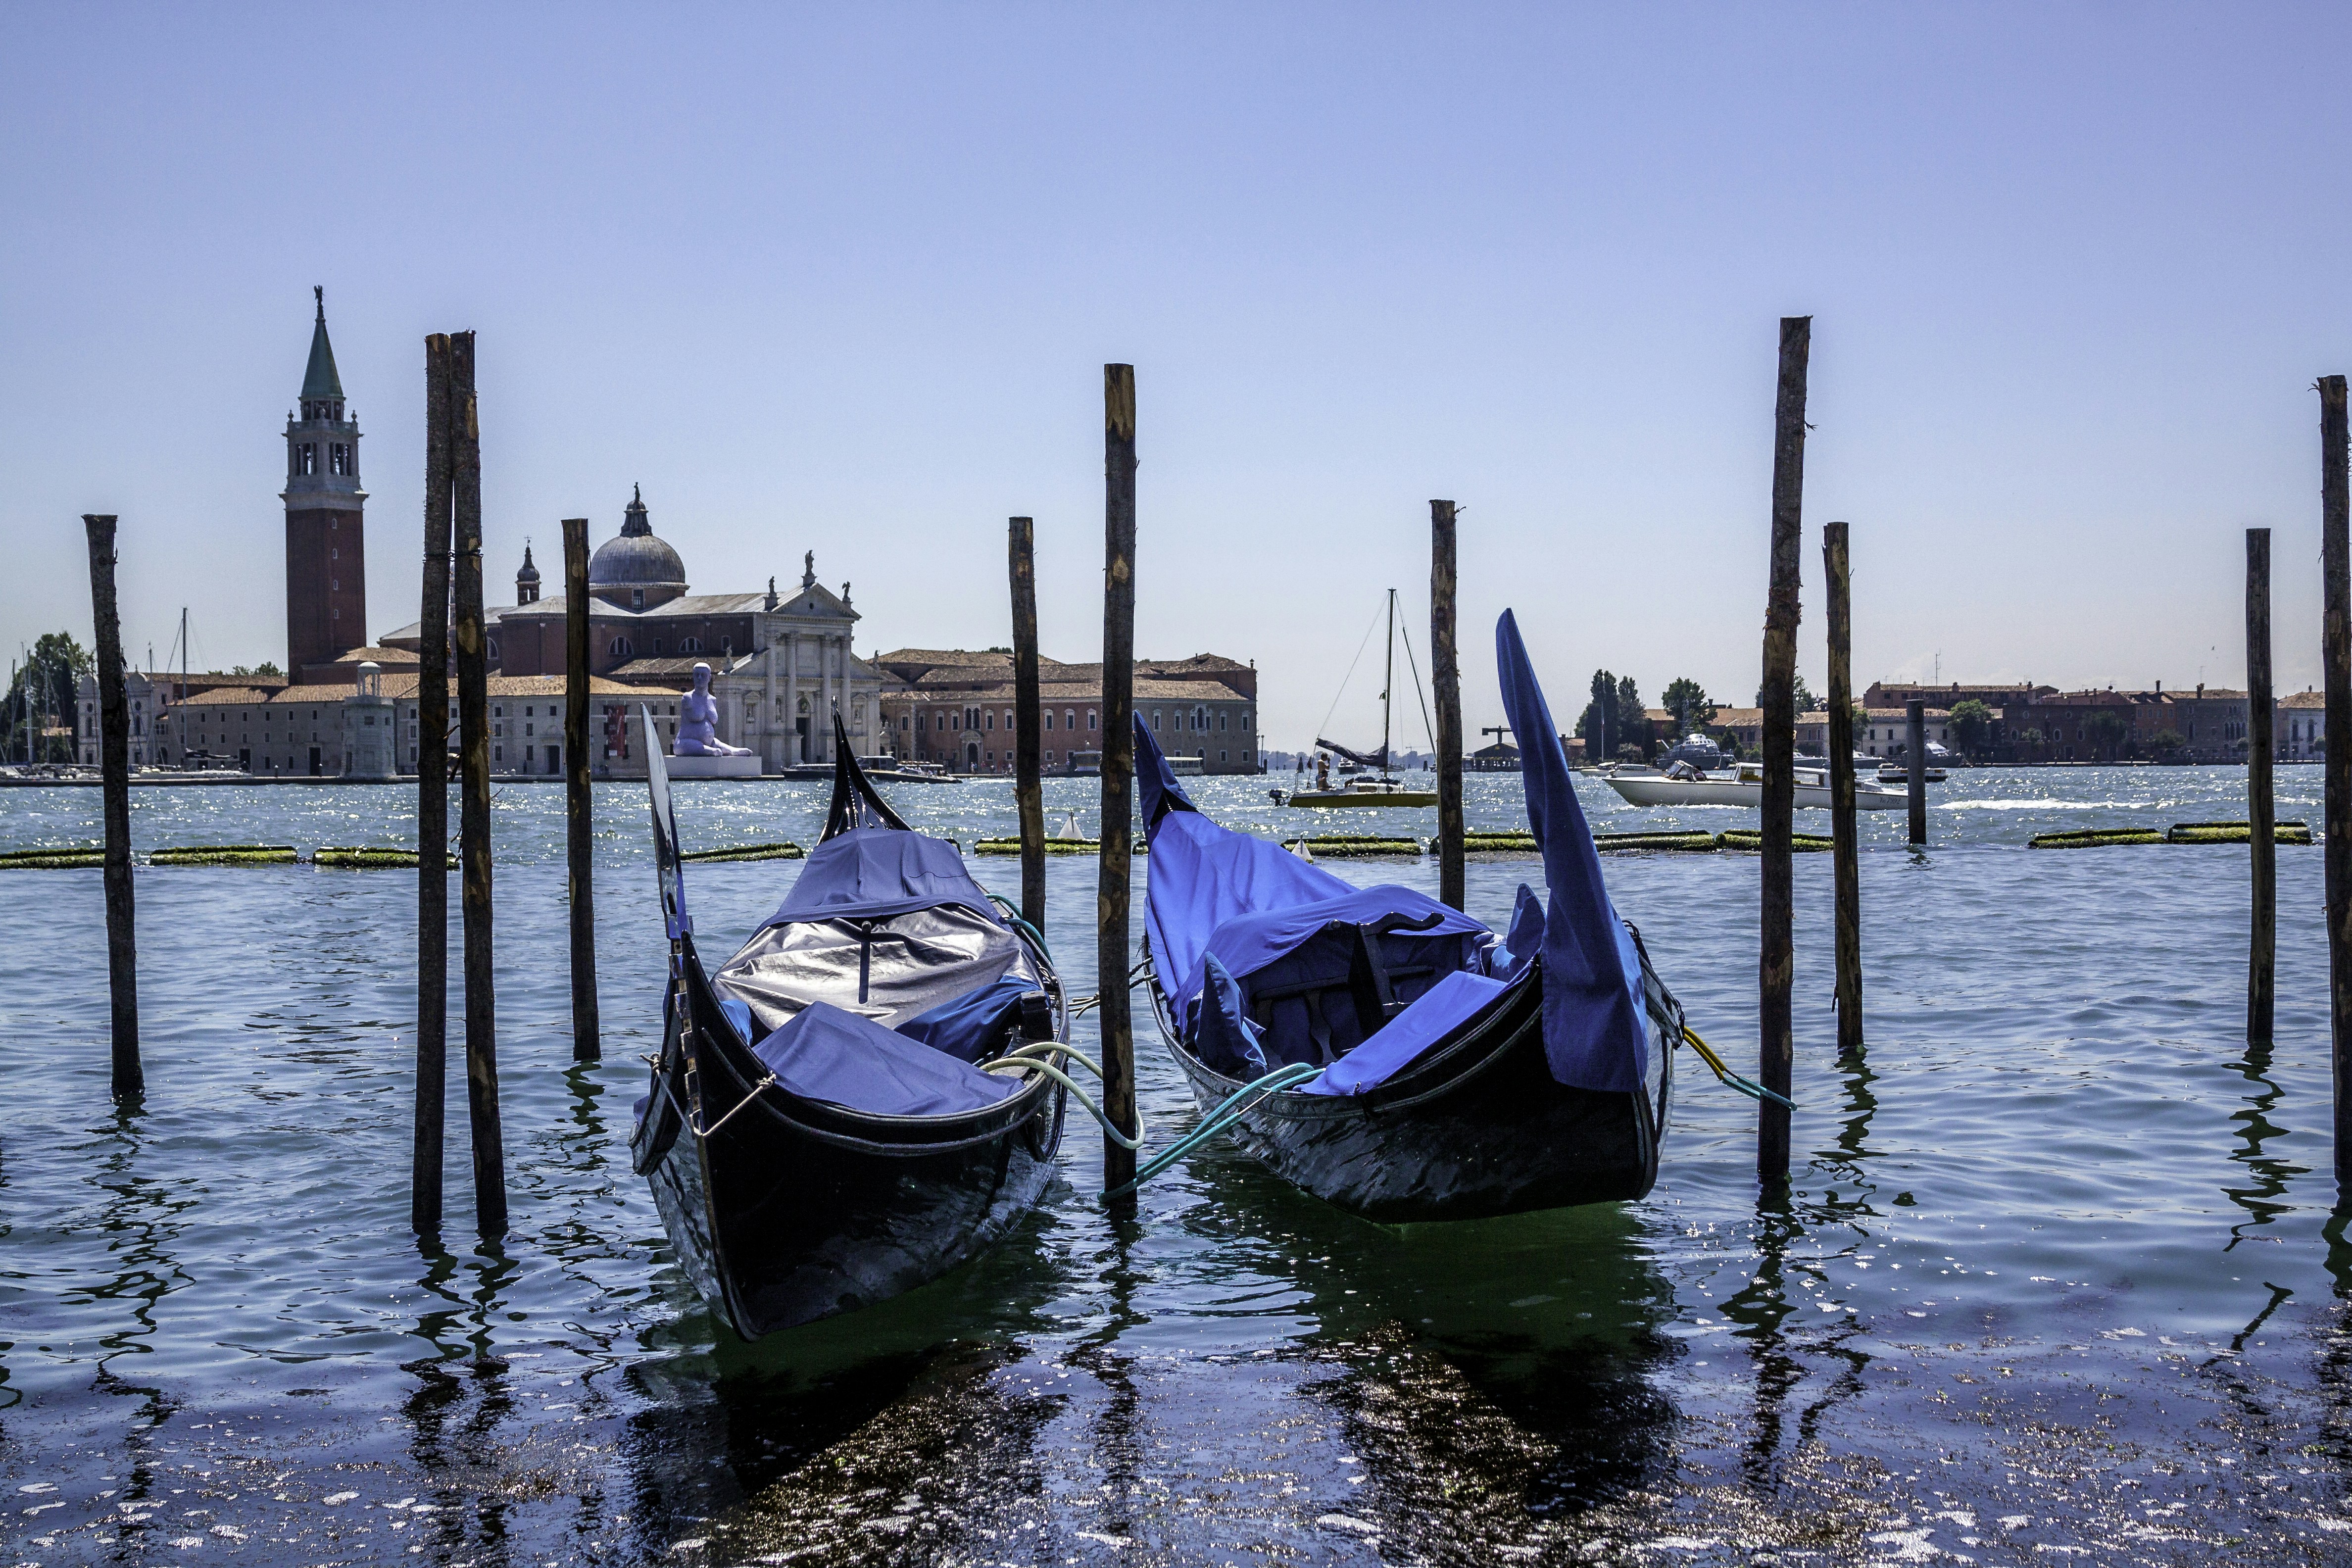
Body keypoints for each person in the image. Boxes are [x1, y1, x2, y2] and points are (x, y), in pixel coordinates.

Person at [673, 663, 752, 757]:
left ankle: (731, 750)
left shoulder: (713, 700)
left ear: (710, 678)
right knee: (703, 748)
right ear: (693, 677)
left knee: (717, 744)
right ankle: (712, 751)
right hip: (684, 743)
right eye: (697, 675)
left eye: (703, 675)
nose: (699, 678)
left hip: (711, 742)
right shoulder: (687, 697)